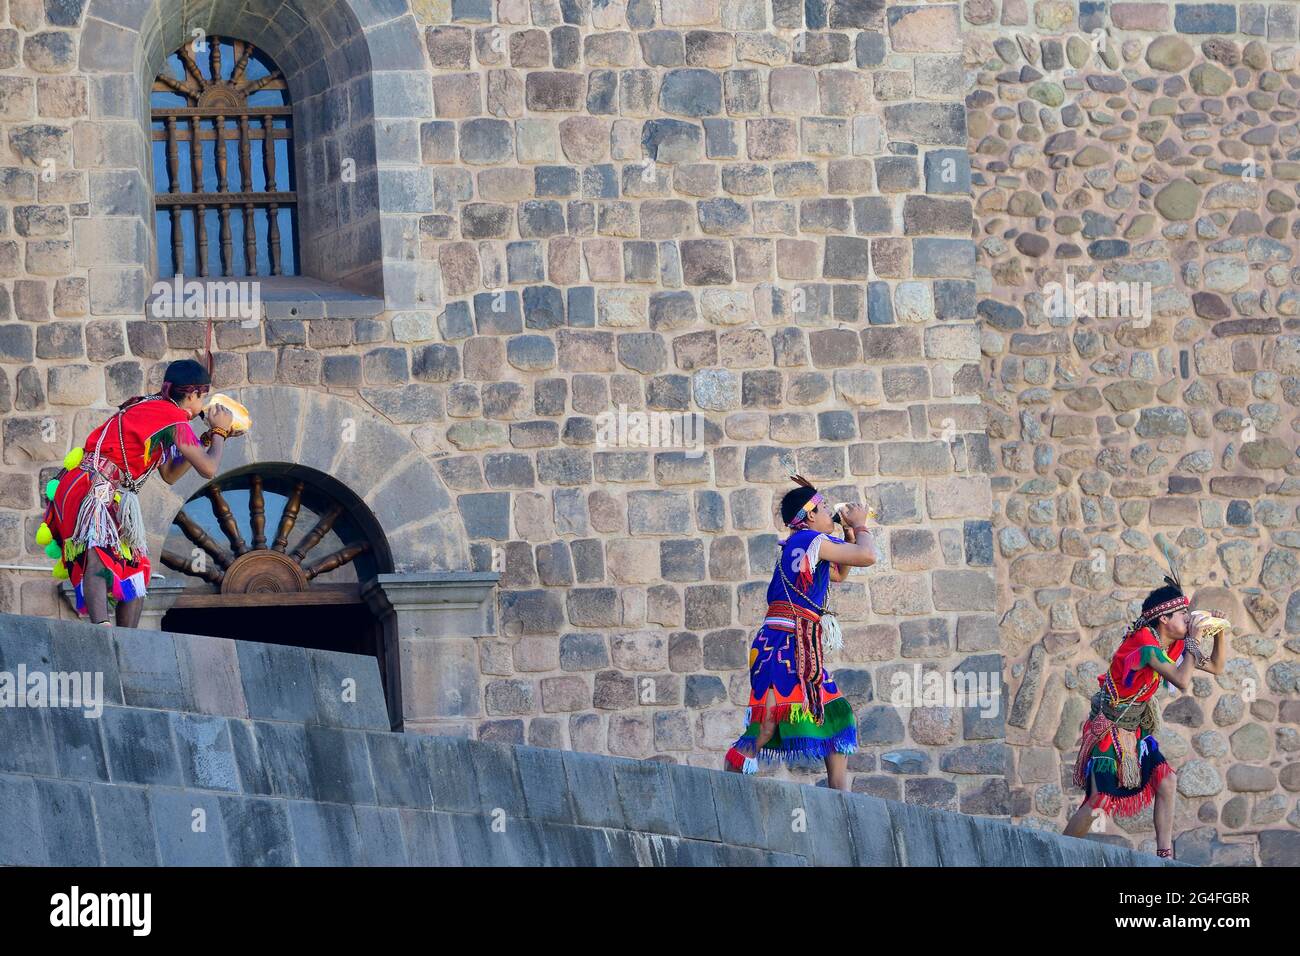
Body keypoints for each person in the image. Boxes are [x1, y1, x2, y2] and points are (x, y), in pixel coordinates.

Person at [36, 359, 235, 627]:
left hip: (105, 486)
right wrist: (221, 431)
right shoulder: (172, 417)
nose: (203, 404)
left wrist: (205, 440)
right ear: (192, 395)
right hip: (92, 483)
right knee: (98, 551)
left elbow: (169, 474)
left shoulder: (158, 409)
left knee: (135, 566)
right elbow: (209, 468)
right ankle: (102, 628)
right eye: (203, 397)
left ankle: (127, 640)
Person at [723, 476, 878, 791]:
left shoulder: (805, 543)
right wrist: (861, 525)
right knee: (766, 724)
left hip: (797, 642)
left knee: (836, 714)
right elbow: (867, 556)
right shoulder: (810, 540)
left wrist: (848, 533)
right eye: (823, 507)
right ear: (809, 516)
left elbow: (839, 574)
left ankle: (840, 797)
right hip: (783, 643)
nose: (829, 513)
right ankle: (725, 786)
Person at [1063, 577, 1227, 859]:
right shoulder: (1146, 646)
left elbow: (1216, 666)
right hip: (1110, 730)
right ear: (1164, 618)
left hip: (1134, 729)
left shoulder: (1172, 644)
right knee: (1097, 802)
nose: (1189, 619)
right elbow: (1182, 680)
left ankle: (1164, 856)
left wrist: (1220, 631)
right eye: (1183, 614)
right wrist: (1195, 637)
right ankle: (1056, 851)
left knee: (1167, 781)